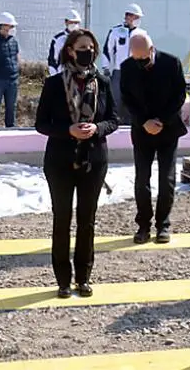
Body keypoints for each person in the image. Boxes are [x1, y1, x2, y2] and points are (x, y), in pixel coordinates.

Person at [35, 28, 120, 298]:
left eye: (92, 47)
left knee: (87, 219)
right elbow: (41, 124)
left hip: (93, 159)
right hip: (60, 159)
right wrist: (67, 130)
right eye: (83, 47)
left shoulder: (102, 82)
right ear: (71, 50)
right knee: (62, 218)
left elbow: (114, 120)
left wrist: (97, 128)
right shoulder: (54, 84)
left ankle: (83, 277)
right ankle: (62, 279)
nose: (90, 52)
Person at [119, 29, 187, 245]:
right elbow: (127, 100)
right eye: (136, 57)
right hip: (142, 130)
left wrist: (162, 121)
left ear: (152, 49)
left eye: (144, 57)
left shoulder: (171, 63)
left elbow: (179, 95)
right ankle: (143, 225)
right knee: (142, 180)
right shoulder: (127, 68)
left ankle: (163, 225)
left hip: (167, 129)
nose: (140, 62)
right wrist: (143, 122)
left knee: (166, 179)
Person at [101, 3, 143, 120]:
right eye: (136, 17)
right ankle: (115, 119)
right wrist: (106, 67)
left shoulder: (142, 34)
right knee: (116, 96)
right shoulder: (116, 31)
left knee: (133, 96)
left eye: (138, 17)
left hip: (135, 71)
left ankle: (131, 120)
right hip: (118, 70)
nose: (137, 20)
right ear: (128, 16)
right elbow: (107, 50)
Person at [47, 10, 83, 76]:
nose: (74, 24)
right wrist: (54, 76)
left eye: (76, 22)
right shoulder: (57, 39)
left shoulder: (83, 38)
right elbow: (52, 60)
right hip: (62, 76)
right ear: (66, 22)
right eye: (72, 22)